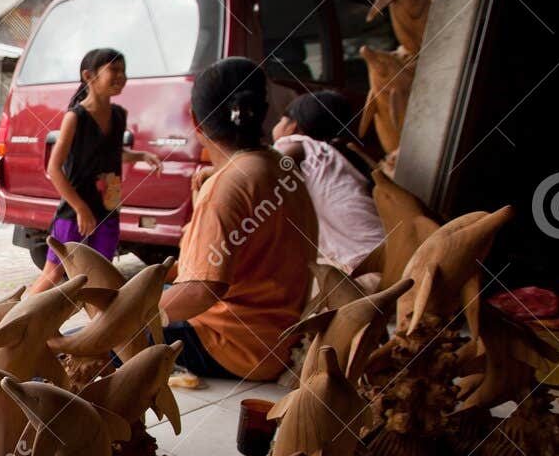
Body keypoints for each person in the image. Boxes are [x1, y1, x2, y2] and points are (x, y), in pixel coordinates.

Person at [160, 57, 319, 380]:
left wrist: (125, 315)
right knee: (147, 297)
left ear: (195, 120)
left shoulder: (229, 184)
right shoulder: (279, 166)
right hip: (277, 338)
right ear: (262, 111)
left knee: (85, 345)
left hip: (235, 348)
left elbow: (202, 291)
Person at [29, 48, 159, 296]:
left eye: (123, 71)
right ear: (89, 76)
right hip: (74, 211)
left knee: (102, 274)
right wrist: (80, 208)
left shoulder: (120, 115)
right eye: (114, 70)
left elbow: (110, 153)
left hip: (108, 208)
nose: (121, 76)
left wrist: (141, 156)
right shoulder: (75, 118)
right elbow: (54, 169)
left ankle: (98, 331)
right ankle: (14, 326)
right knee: (54, 274)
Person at [271, 90, 385, 272]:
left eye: (281, 120)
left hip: (362, 262)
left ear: (293, 127)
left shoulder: (302, 146)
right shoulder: (340, 156)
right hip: (384, 253)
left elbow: (260, 171)